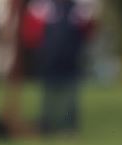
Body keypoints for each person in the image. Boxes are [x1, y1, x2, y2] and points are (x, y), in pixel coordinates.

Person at [21, 0, 95, 135]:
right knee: (49, 98)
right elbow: (31, 34)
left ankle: (67, 128)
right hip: (49, 61)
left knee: (69, 98)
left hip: (70, 61)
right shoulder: (42, 6)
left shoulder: (78, 8)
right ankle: (47, 127)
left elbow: (88, 31)